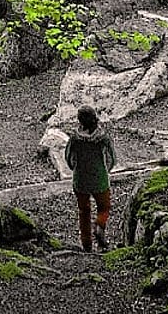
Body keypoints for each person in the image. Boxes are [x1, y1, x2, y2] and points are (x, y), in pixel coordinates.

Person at [64, 104, 116, 252]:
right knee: (104, 207)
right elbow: (112, 157)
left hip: (80, 180)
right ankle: (100, 225)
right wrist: (107, 170)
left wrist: (74, 168)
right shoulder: (102, 137)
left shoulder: (75, 138)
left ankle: (86, 244)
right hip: (99, 179)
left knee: (83, 211)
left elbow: (67, 156)